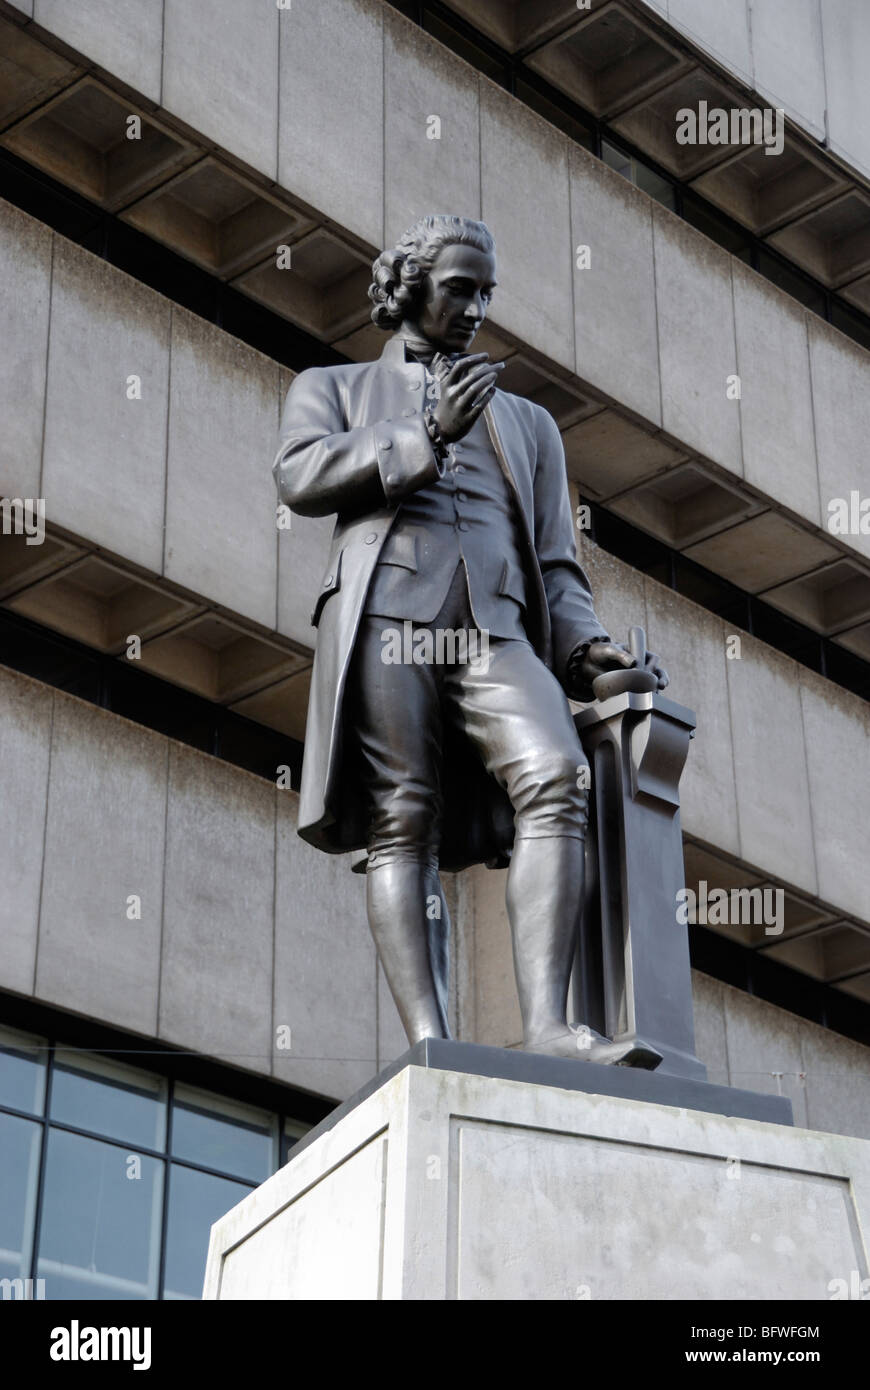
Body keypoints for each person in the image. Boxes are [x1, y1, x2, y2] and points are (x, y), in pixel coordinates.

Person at [274, 215, 668, 1065]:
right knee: (402, 817)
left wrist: (583, 650)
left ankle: (551, 1031)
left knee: (556, 776)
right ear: (411, 286)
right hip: (389, 619)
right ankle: (430, 1042)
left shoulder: (528, 424)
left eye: (488, 290)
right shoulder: (332, 386)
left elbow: (558, 564)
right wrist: (424, 438)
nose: (478, 307)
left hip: (494, 628)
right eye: (461, 288)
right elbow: (299, 473)